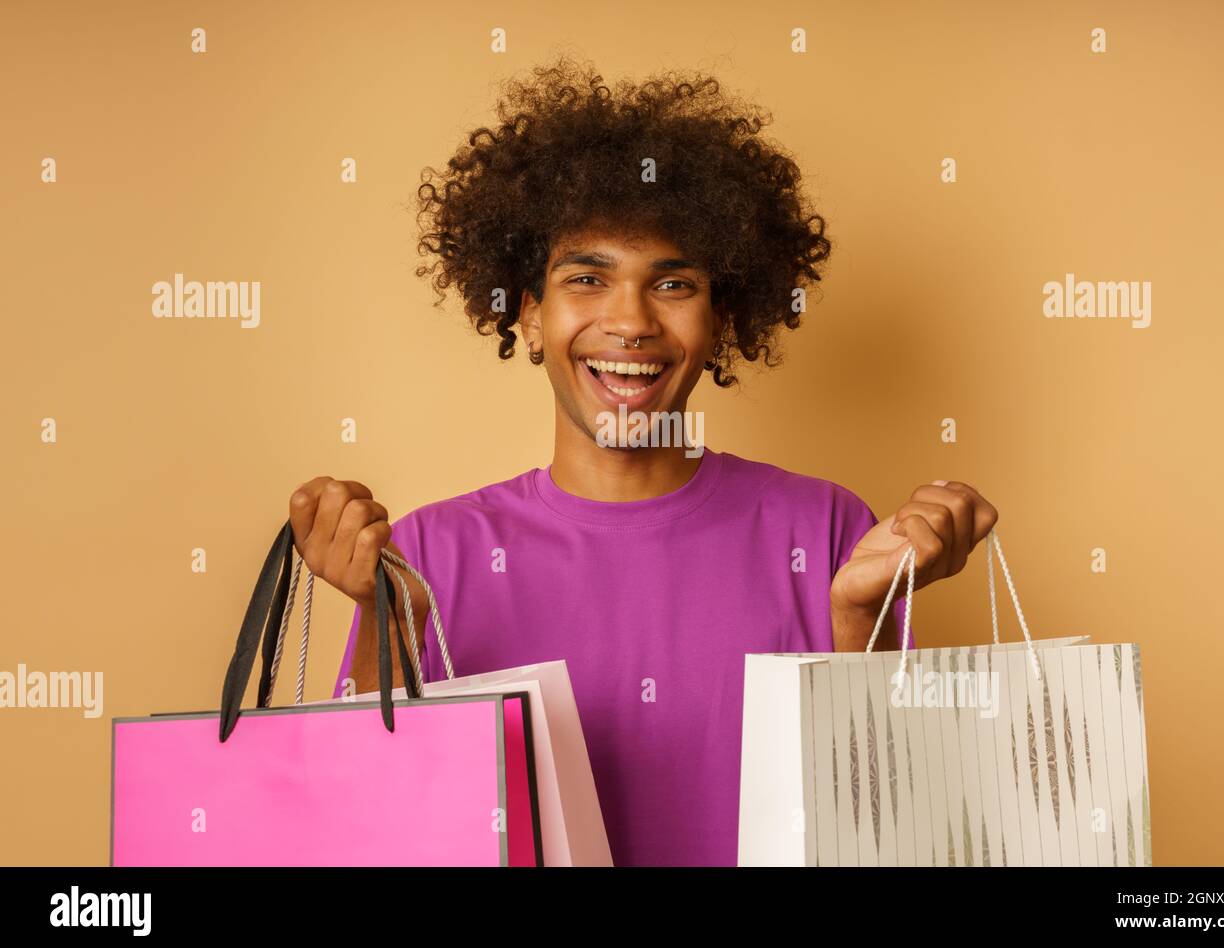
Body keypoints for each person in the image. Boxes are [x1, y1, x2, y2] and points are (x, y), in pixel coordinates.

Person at [287, 57, 998, 866]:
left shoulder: (827, 528)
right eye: (587, 278)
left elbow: (887, 820)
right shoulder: (429, 553)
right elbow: (376, 825)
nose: (629, 322)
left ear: (721, 320)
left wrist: (859, 619)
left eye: (672, 284)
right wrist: (393, 622)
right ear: (528, 314)